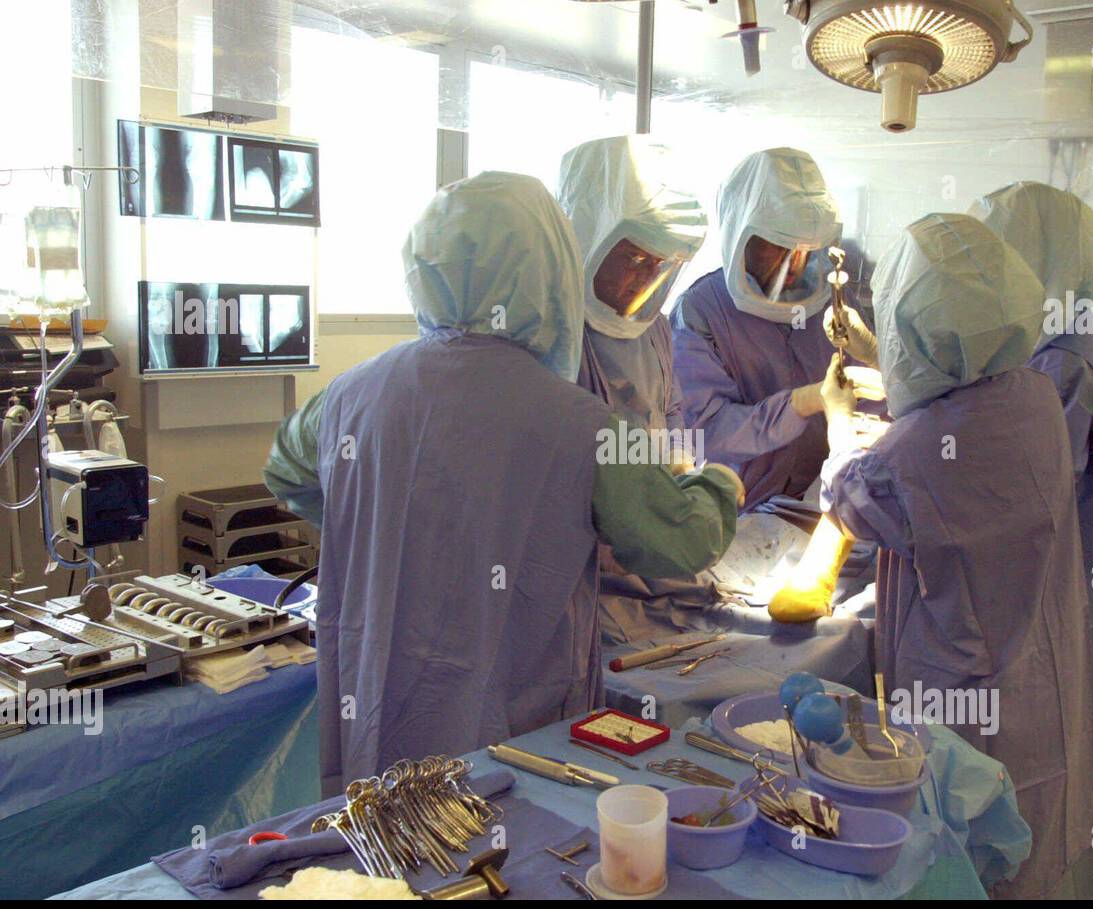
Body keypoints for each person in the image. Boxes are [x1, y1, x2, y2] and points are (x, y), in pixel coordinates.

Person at [264, 172, 744, 795]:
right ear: (553, 274)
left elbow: (285, 471)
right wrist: (719, 487)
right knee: (512, 846)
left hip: (380, 700)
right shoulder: (584, 422)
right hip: (514, 719)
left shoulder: (350, 394)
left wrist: (383, 534)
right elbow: (677, 543)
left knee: (388, 850)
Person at [818, 213, 1093, 898]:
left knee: (969, 852)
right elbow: (958, 423)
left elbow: (849, 500)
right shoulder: (1034, 395)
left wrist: (833, 416)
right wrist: (893, 362)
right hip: (1042, 686)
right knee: (1034, 845)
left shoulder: (914, 453)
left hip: (965, 705)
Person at [971, 180, 1093, 862]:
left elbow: (1026, 492)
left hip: (1084, 578)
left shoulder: (1066, 365)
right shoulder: (1060, 347)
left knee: (1081, 725)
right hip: (1084, 566)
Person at [672, 148, 866, 509]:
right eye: (777, 246)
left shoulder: (830, 298)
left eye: (805, 250)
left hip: (823, 499)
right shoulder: (701, 312)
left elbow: (866, 398)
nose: (793, 265)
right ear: (740, 235)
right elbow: (704, 431)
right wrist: (799, 404)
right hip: (738, 506)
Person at [558, 135, 705, 467]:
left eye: (661, 264)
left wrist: (678, 458)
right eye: (636, 260)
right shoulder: (553, 333)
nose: (648, 279)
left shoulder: (654, 328)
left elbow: (671, 409)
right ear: (589, 242)